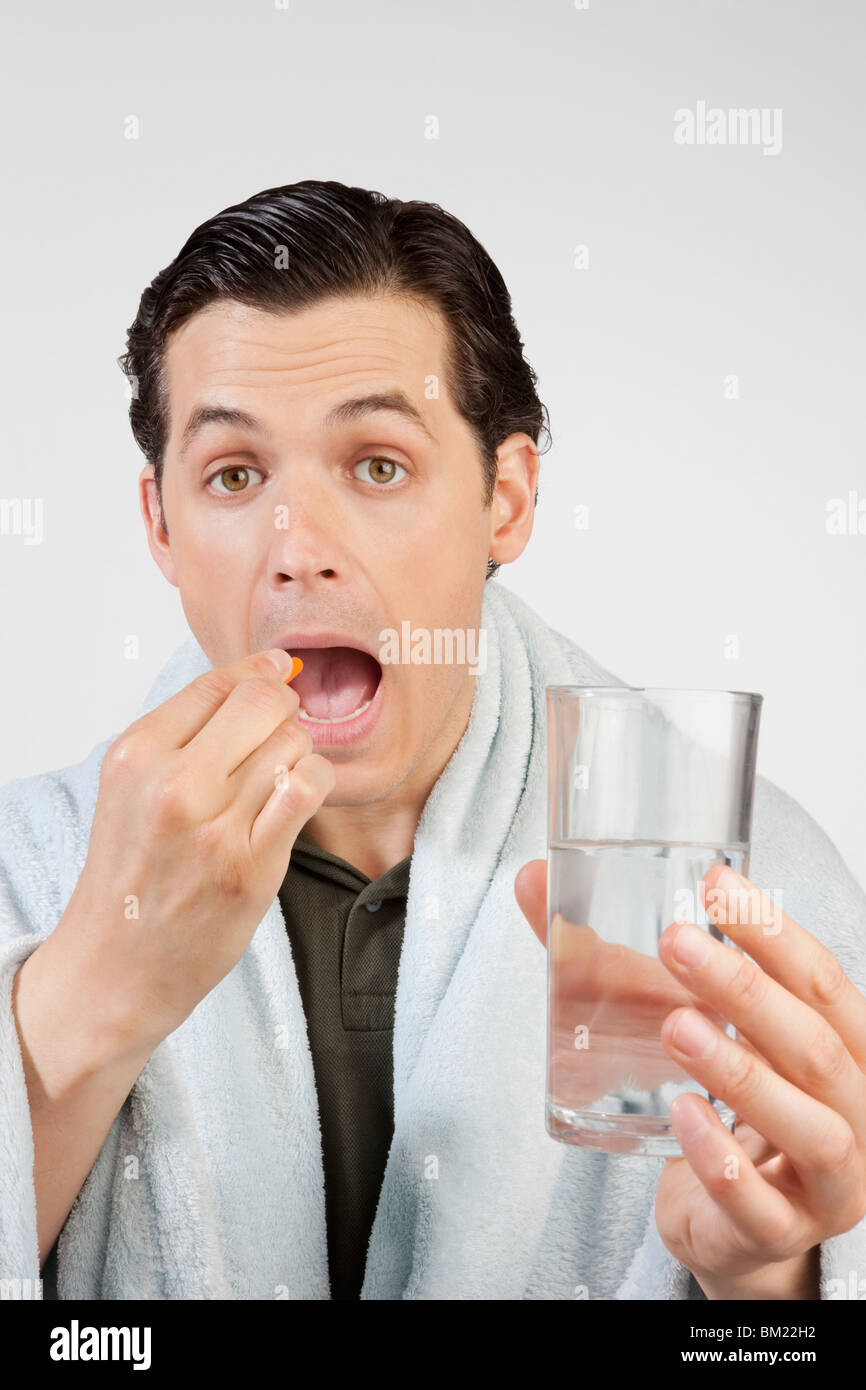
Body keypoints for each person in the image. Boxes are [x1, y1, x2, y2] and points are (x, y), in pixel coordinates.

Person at [2, 181, 865, 1301]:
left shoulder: (741, 878)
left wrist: (765, 1277)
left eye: (376, 464)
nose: (297, 548)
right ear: (160, 525)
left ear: (504, 498)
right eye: (233, 475)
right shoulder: (31, 873)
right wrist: (88, 999)